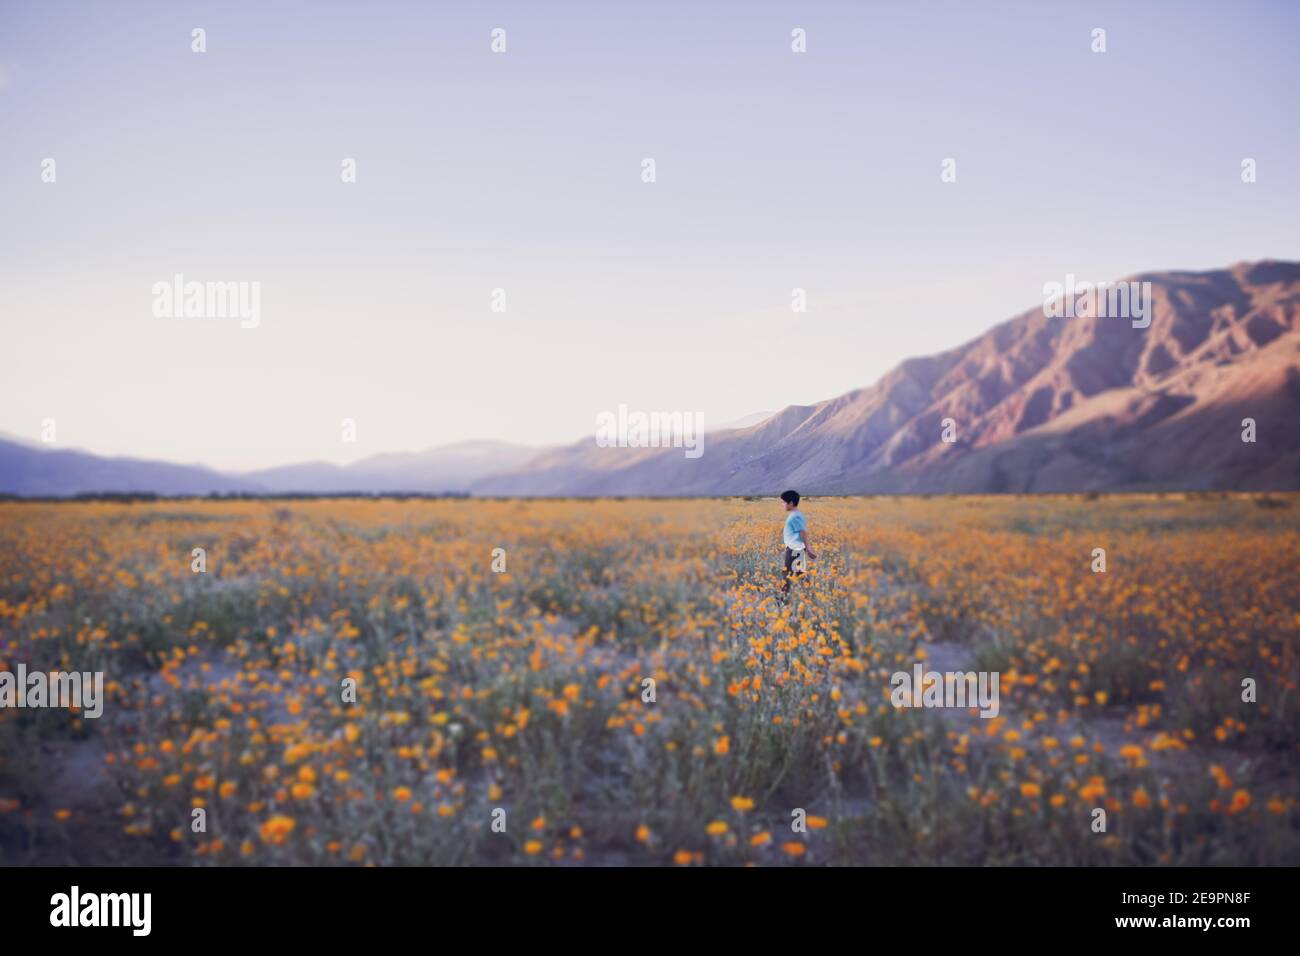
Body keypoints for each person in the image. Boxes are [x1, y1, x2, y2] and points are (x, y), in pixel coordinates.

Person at [780, 490, 816, 594]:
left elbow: (802, 532)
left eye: (784, 502)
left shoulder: (795, 516)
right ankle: (809, 594)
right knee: (800, 573)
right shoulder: (796, 514)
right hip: (796, 549)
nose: (782, 505)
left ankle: (783, 599)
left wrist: (808, 548)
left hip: (794, 550)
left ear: (790, 503)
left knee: (787, 574)